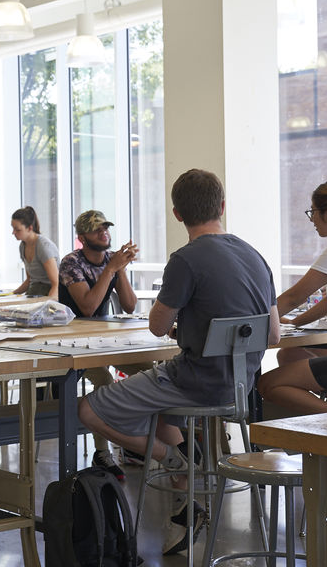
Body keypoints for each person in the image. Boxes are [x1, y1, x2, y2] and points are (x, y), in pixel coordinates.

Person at [77, 169, 280, 555]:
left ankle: (175, 459)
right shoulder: (255, 255)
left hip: (192, 382)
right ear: (222, 206)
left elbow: (156, 327)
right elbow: (273, 335)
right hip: (240, 387)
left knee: (86, 409)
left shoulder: (185, 260)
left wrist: (180, 323)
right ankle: (183, 510)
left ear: (176, 214)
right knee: (166, 417)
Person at [258, 180, 327, 414]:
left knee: (267, 384)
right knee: (289, 354)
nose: (311, 221)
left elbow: (294, 297)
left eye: (313, 213)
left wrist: (250, 321)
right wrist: (296, 322)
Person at [57, 209, 141, 480]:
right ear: (82, 237)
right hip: (71, 343)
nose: (104, 233)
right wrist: (111, 269)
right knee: (104, 379)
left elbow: (129, 306)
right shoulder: (71, 263)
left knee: (147, 371)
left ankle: (136, 442)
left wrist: (120, 271)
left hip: (104, 340)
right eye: (96, 230)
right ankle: (103, 451)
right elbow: (89, 307)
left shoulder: (110, 261)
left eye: (105, 228)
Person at [11, 207, 60, 298]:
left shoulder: (43, 246)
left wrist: (48, 306)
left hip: (50, 293)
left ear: (29, 228)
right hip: (34, 293)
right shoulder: (22, 246)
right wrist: (10, 295)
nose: (13, 232)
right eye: (13, 228)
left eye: (17, 230)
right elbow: (29, 280)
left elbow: (56, 284)